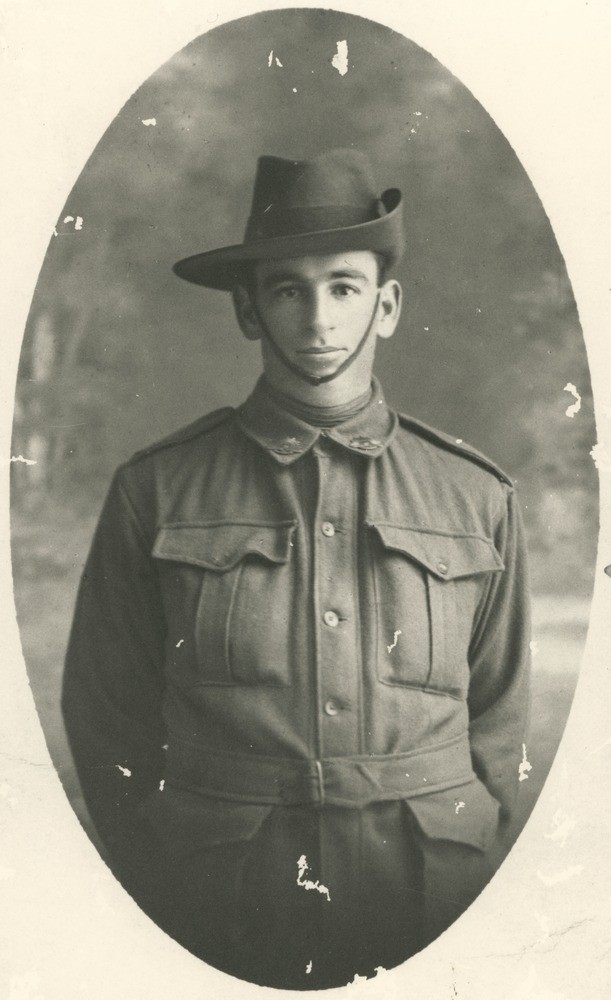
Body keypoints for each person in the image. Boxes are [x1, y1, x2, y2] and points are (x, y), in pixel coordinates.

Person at [62, 149, 531, 989]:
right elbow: (107, 716)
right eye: (287, 289)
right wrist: (160, 882)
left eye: (343, 287)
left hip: (429, 896)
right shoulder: (158, 490)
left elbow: (498, 719)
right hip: (222, 901)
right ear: (248, 310)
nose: (318, 317)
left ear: (385, 306)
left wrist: (473, 861)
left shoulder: (475, 495)